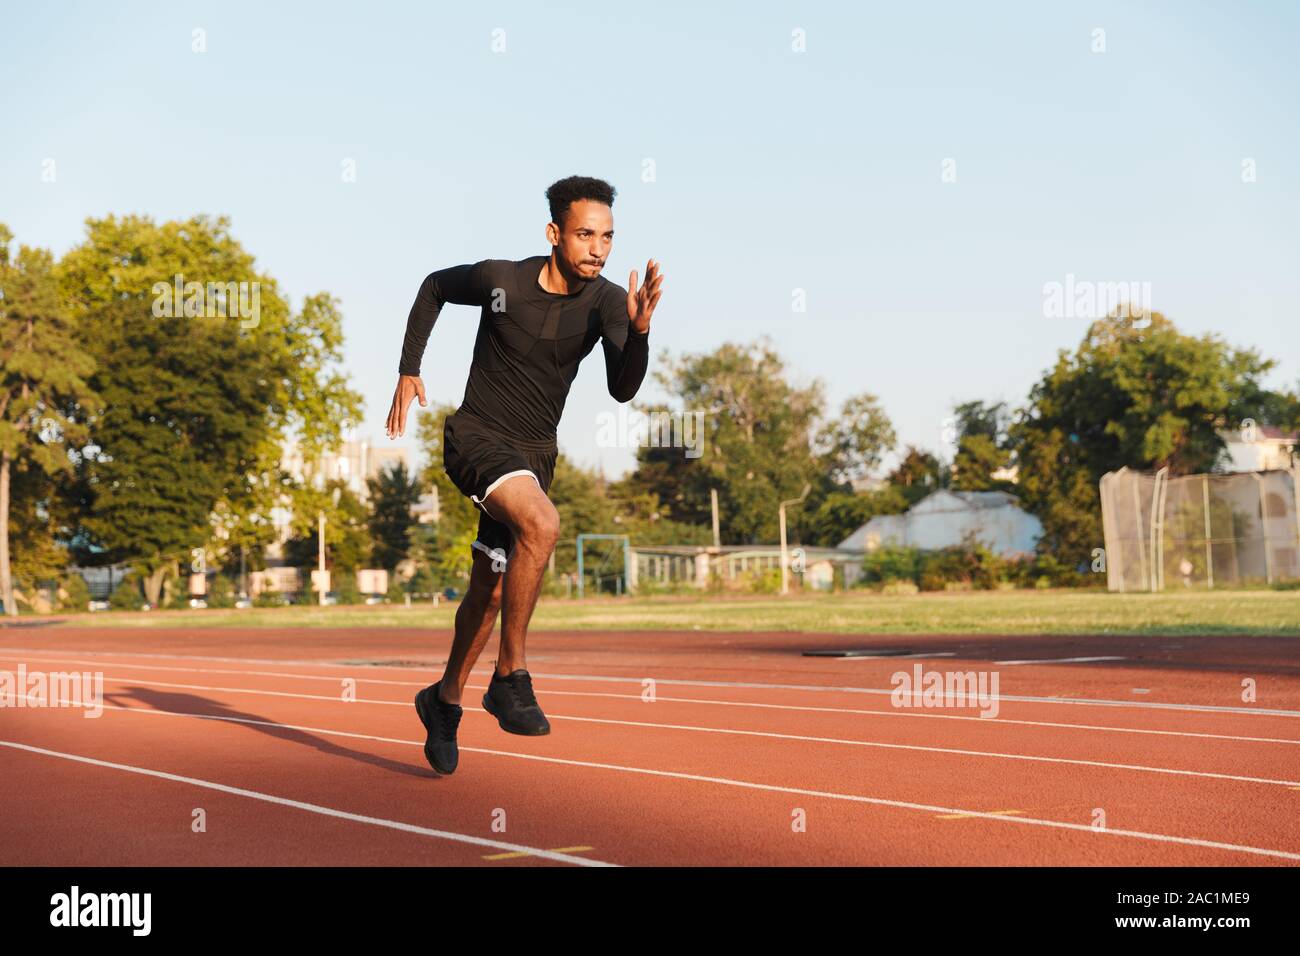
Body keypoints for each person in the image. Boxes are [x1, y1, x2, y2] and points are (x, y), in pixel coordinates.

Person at [386, 175, 664, 774]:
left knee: (487, 589)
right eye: (586, 234)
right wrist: (409, 368)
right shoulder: (500, 280)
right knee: (543, 524)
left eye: (608, 237)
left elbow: (622, 389)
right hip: (478, 438)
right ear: (554, 233)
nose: (598, 248)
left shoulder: (608, 301)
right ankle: (510, 676)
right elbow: (434, 286)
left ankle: (444, 701)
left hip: (535, 458)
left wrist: (639, 332)